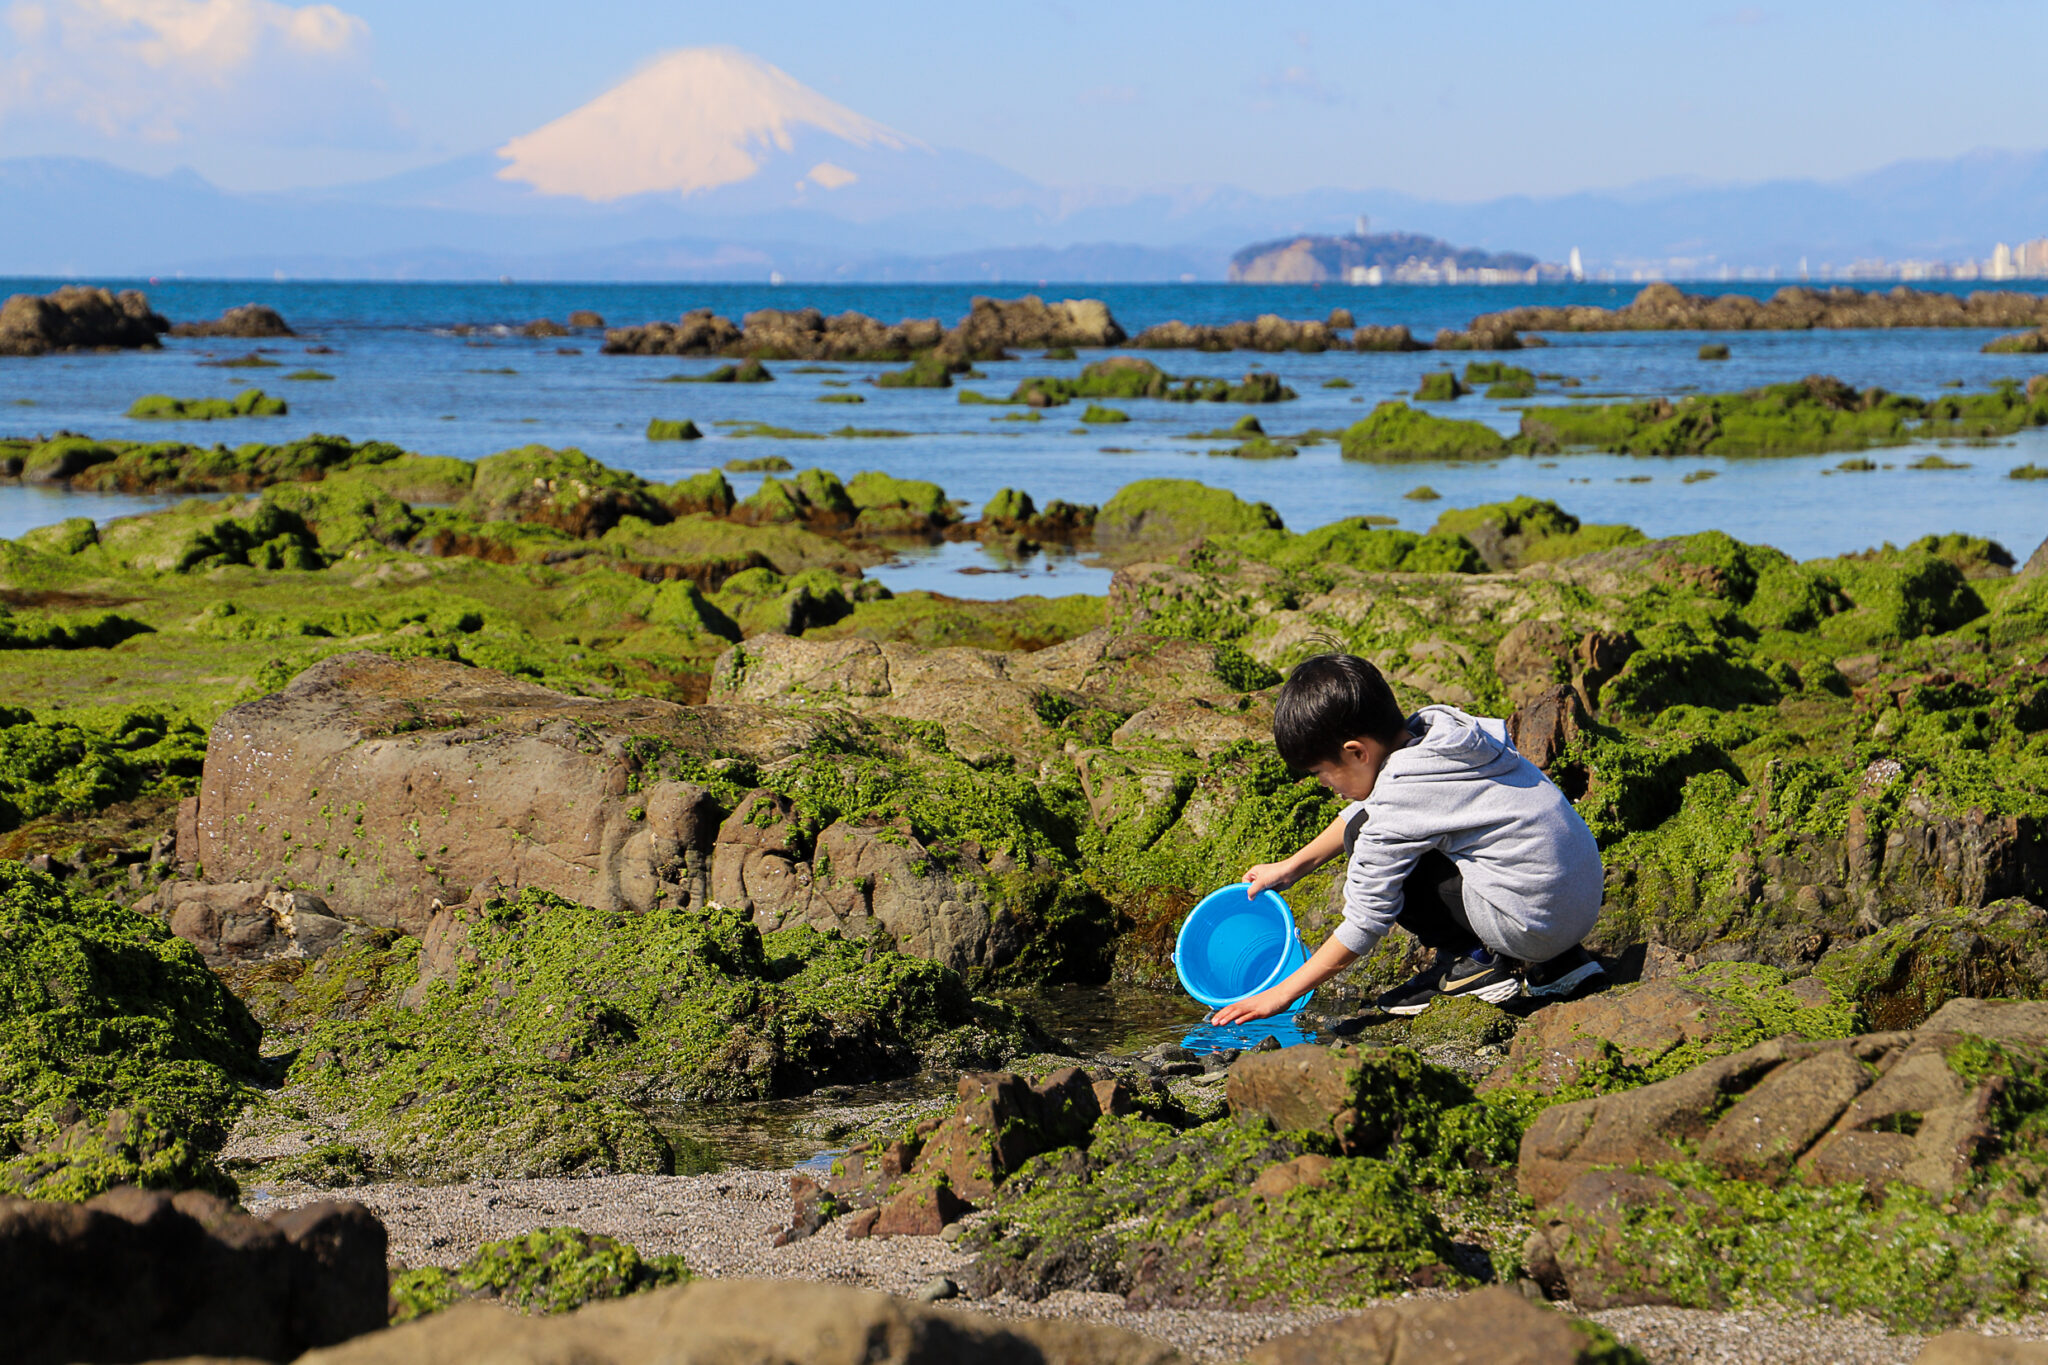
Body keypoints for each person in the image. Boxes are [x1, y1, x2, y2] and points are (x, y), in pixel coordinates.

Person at [1209, 653, 1606, 1025]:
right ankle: (1561, 964)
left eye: (1320, 773)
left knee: (1383, 855)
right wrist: (1292, 867)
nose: (1326, 786)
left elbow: (1366, 919)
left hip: (1531, 923)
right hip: (1578, 902)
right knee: (1386, 832)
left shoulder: (1401, 796)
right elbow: (1379, 806)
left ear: (1356, 752)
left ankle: (1474, 964)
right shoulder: (1442, 736)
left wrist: (1278, 995)